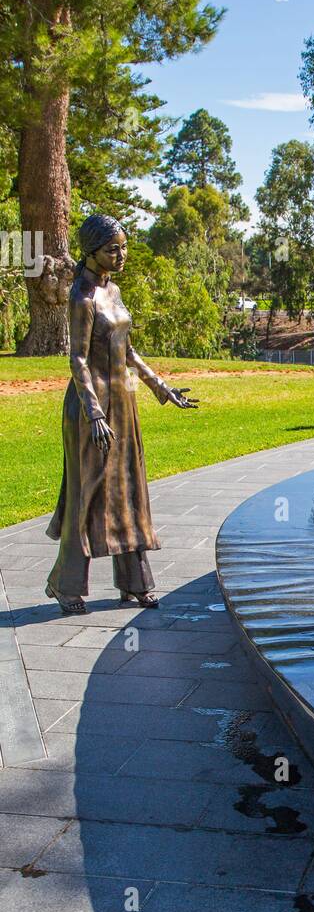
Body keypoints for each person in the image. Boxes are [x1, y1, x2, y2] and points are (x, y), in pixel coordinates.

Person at [45, 214, 198, 615]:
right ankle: (67, 586)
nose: (122, 254)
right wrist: (94, 412)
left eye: (124, 247)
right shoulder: (82, 297)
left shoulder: (113, 291)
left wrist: (161, 389)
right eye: (114, 248)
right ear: (91, 251)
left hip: (123, 401)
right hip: (90, 405)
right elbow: (77, 358)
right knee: (89, 493)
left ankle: (134, 583)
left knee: (129, 491)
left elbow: (128, 352)